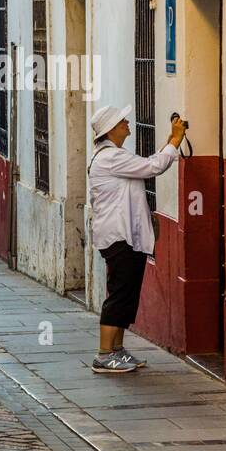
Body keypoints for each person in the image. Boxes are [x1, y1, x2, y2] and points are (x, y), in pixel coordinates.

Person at [86, 104, 186, 374]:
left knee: (127, 295)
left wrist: (170, 143)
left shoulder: (115, 156)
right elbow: (152, 167)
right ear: (111, 129)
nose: (128, 125)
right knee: (119, 294)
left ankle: (116, 351)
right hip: (119, 236)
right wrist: (175, 141)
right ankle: (104, 354)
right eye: (123, 122)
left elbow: (147, 164)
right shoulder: (110, 158)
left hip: (125, 236)